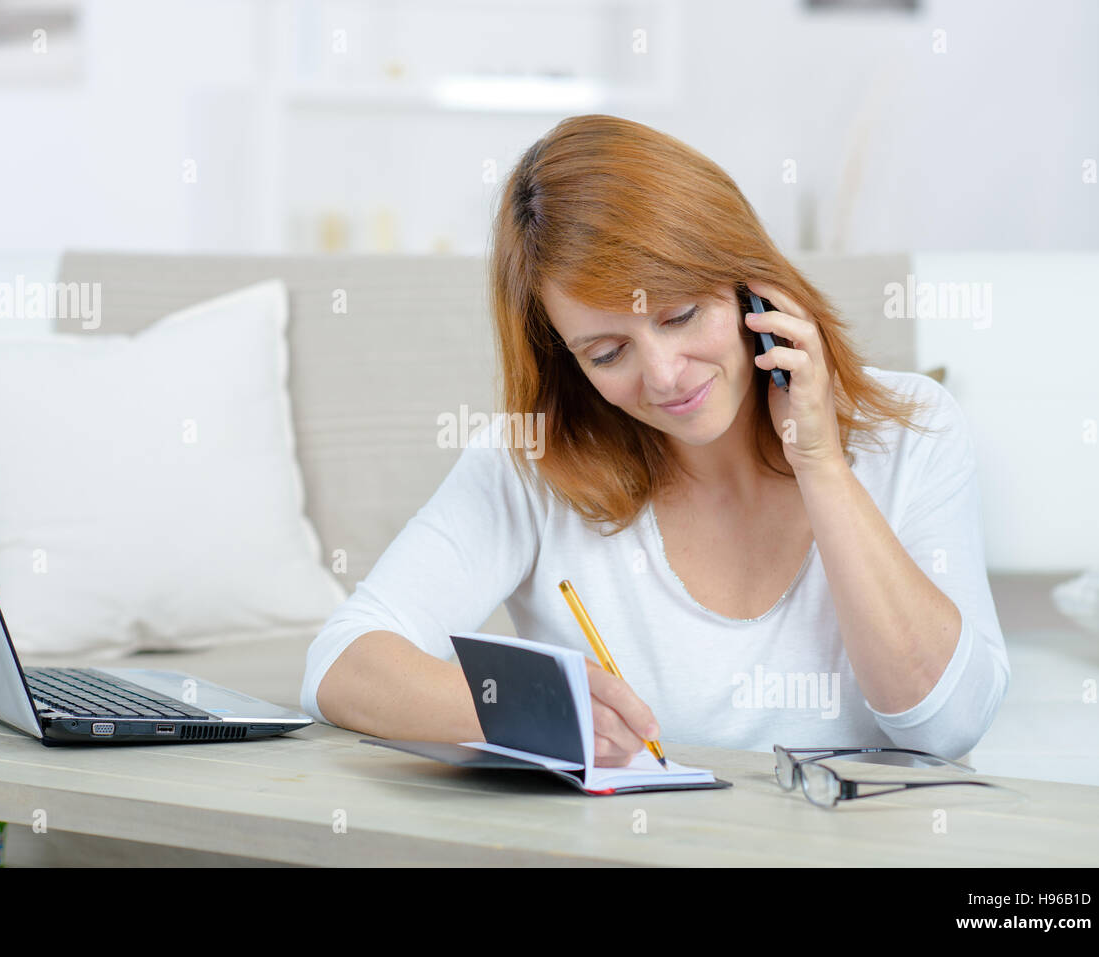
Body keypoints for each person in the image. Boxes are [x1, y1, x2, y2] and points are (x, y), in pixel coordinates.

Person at [301, 114, 1009, 766]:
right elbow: (339, 663)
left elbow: (946, 726)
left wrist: (820, 463)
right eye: (607, 354)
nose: (665, 376)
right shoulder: (529, 462)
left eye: (680, 315)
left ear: (750, 286)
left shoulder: (913, 429)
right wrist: (524, 705)